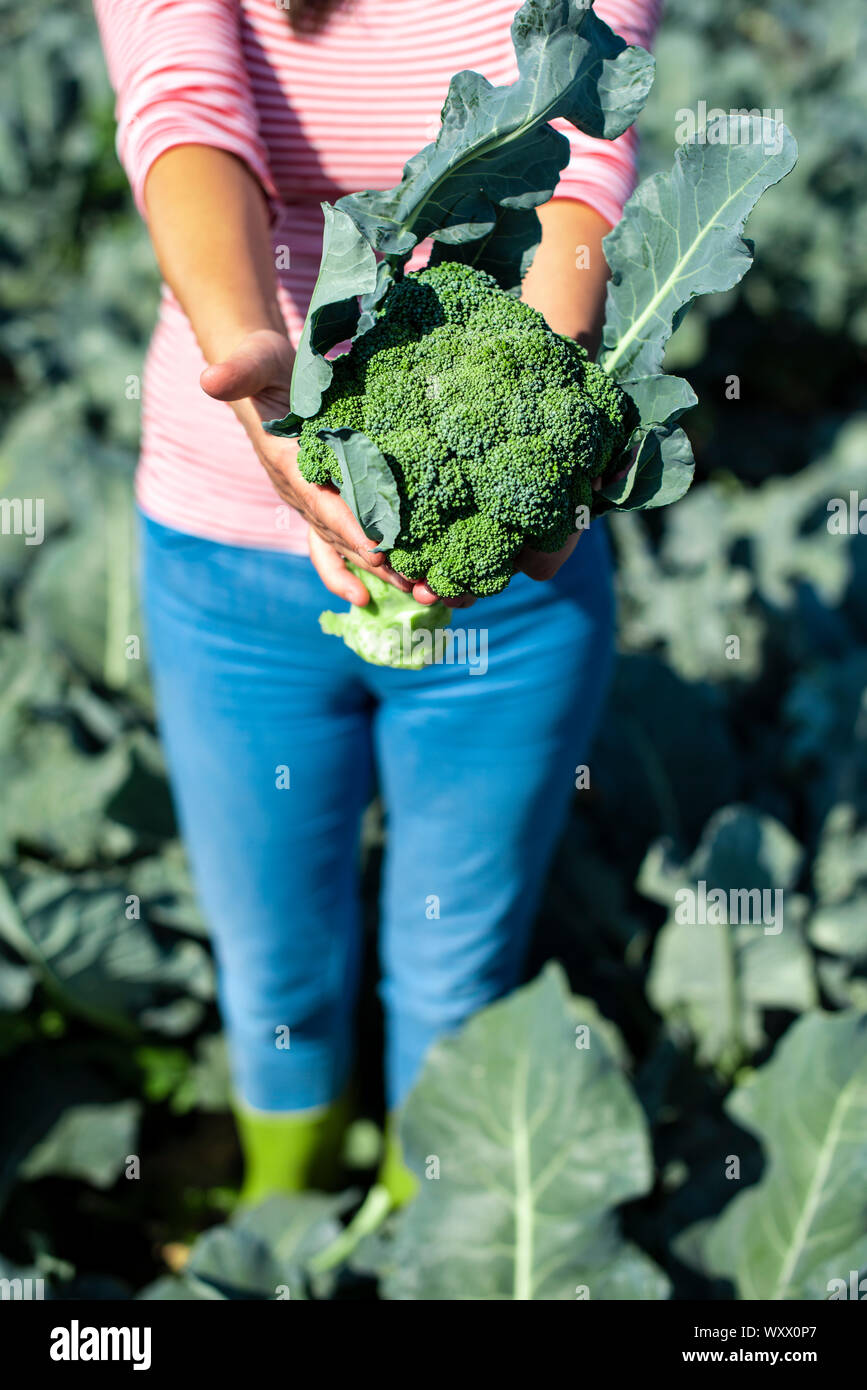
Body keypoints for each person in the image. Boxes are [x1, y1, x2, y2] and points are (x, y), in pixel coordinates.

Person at [93, 0, 661, 1203]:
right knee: (275, 972)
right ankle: (286, 1229)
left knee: (457, 970)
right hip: (223, 552)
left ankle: (428, 1238)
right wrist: (259, 370)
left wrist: (536, 434)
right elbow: (184, 113)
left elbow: (583, 155)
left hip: (507, 607)